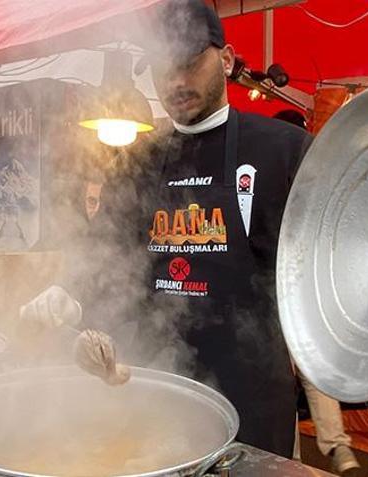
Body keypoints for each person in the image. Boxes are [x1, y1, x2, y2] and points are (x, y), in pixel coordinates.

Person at [22, 0, 309, 460]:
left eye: (190, 64)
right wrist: (68, 297)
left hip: (255, 403)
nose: (176, 81)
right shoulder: (135, 163)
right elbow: (105, 261)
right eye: (162, 67)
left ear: (227, 59)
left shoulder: (285, 150)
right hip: (157, 395)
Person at [274, 108, 361, 476]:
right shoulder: (301, 174)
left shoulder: (282, 174)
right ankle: (333, 448)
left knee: (294, 373)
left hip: (285, 289)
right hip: (289, 288)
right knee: (305, 368)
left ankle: (302, 457)